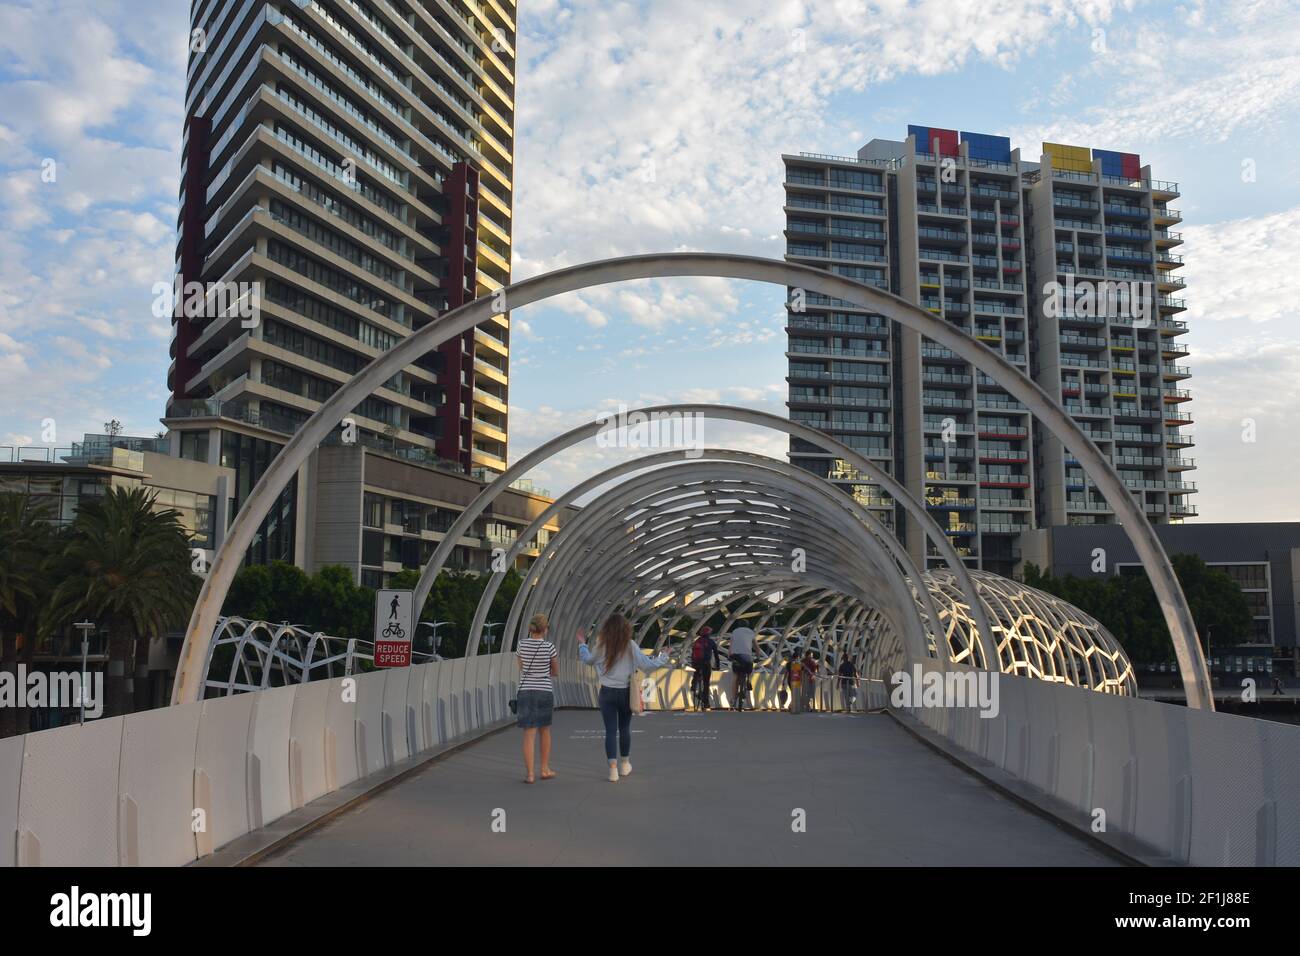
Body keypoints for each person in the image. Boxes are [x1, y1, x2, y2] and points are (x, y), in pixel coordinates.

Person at [578, 614, 671, 782]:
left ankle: (612, 770)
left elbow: (588, 660)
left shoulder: (602, 645)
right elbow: (647, 664)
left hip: (607, 693)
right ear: (626, 629)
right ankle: (625, 764)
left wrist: (582, 644)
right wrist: (664, 656)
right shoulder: (630, 645)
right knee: (625, 728)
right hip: (626, 693)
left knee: (610, 731)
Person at [516, 612, 559, 784]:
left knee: (529, 734)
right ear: (545, 629)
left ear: (531, 628)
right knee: (545, 730)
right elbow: (555, 672)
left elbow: (521, 667)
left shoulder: (521, 645)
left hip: (525, 690)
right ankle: (544, 769)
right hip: (544, 691)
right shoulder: (550, 647)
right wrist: (543, 673)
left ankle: (530, 774)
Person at [689, 626, 722, 711]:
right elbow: (716, 655)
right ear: (709, 634)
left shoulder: (697, 641)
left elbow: (693, 655)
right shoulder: (711, 642)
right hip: (706, 664)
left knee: (696, 672)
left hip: (696, 663)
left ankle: (694, 684)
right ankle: (706, 702)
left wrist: (693, 664)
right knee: (706, 683)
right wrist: (717, 666)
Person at [728, 626, 757, 711]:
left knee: (735, 676)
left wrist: (729, 656)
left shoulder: (734, 631)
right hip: (747, 658)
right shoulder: (751, 632)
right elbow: (757, 647)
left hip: (736, 657)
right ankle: (748, 680)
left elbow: (730, 646)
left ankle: (733, 700)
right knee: (751, 671)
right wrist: (758, 656)